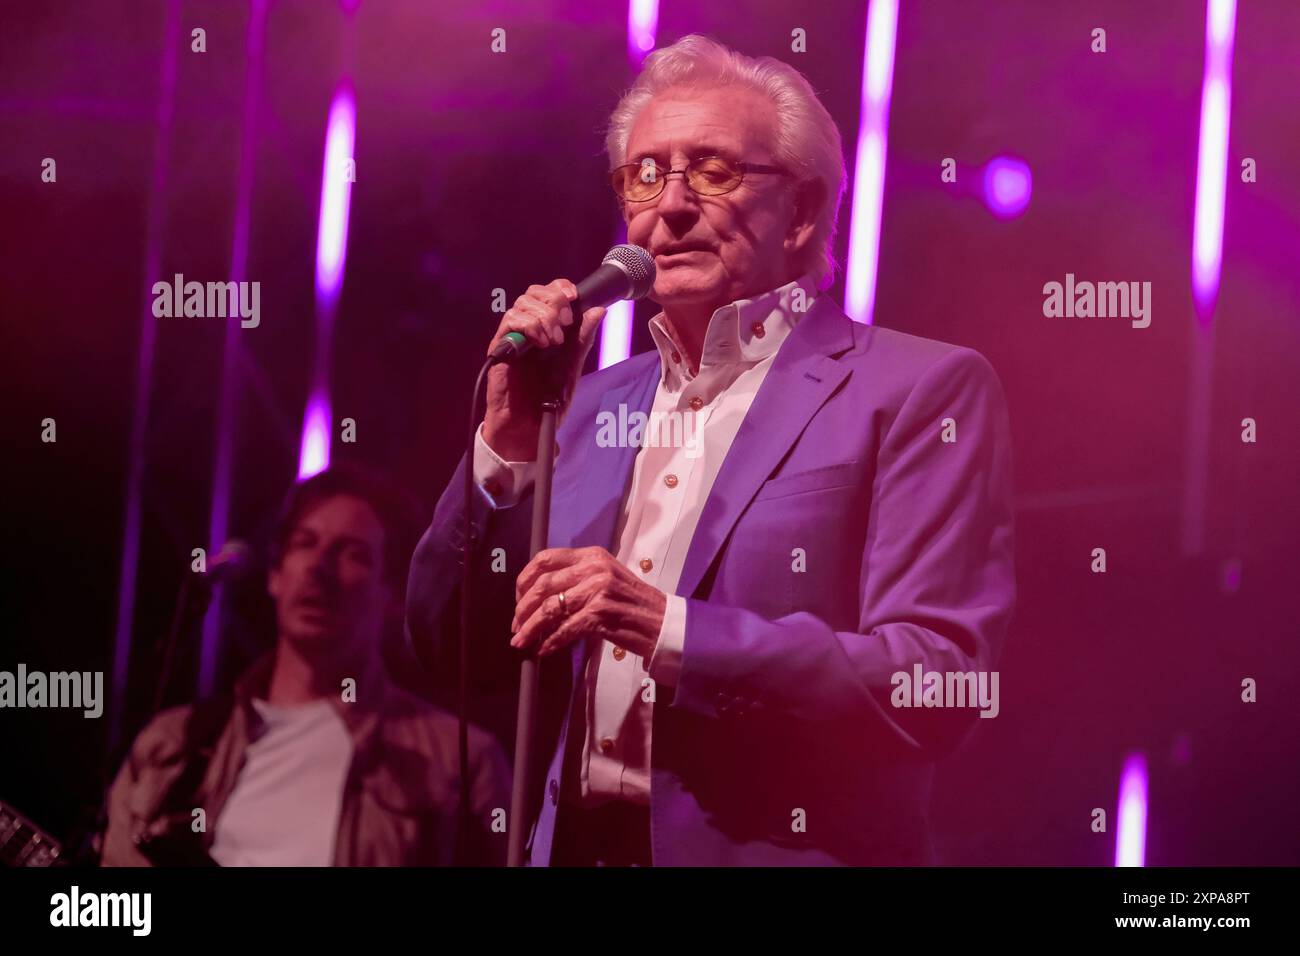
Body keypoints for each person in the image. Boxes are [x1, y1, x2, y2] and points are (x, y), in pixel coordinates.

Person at [407, 34, 1015, 866]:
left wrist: (672, 630)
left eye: (715, 171)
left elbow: (940, 683)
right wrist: (506, 445)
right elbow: (446, 646)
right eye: (645, 174)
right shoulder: (580, 406)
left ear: (801, 212)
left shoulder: (916, 390)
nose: (672, 204)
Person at [103, 465, 510, 866]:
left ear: (390, 594)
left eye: (353, 553)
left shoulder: (460, 763)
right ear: (275, 575)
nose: (319, 567)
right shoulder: (171, 745)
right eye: (305, 543)